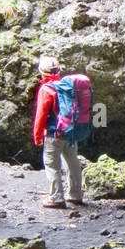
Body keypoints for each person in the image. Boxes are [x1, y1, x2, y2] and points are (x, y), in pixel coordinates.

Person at [33, 55, 84, 208]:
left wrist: (37, 135)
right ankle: (75, 195)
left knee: (52, 165)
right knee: (72, 162)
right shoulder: (67, 86)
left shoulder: (46, 89)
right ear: (59, 71)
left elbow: (41, 114)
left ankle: (56, 198)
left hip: (54, 134)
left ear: (42, 73)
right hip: (71, 132)